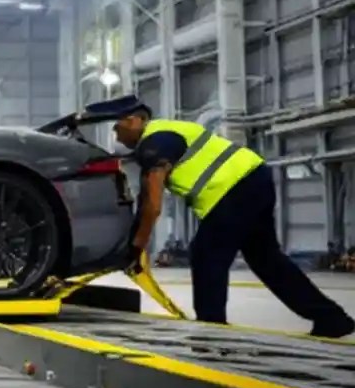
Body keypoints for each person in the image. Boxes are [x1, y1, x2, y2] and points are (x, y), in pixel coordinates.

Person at [109, 99, 354, 338]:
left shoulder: (154, 143)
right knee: (267, 260)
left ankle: (212, 332)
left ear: (134, 120)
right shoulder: (169, 130)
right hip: (255, 178)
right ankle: (331, 319)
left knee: (206, 256)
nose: (116, 136)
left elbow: (151, 205)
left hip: (232, 191)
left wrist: (135, 247)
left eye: (116, 127)